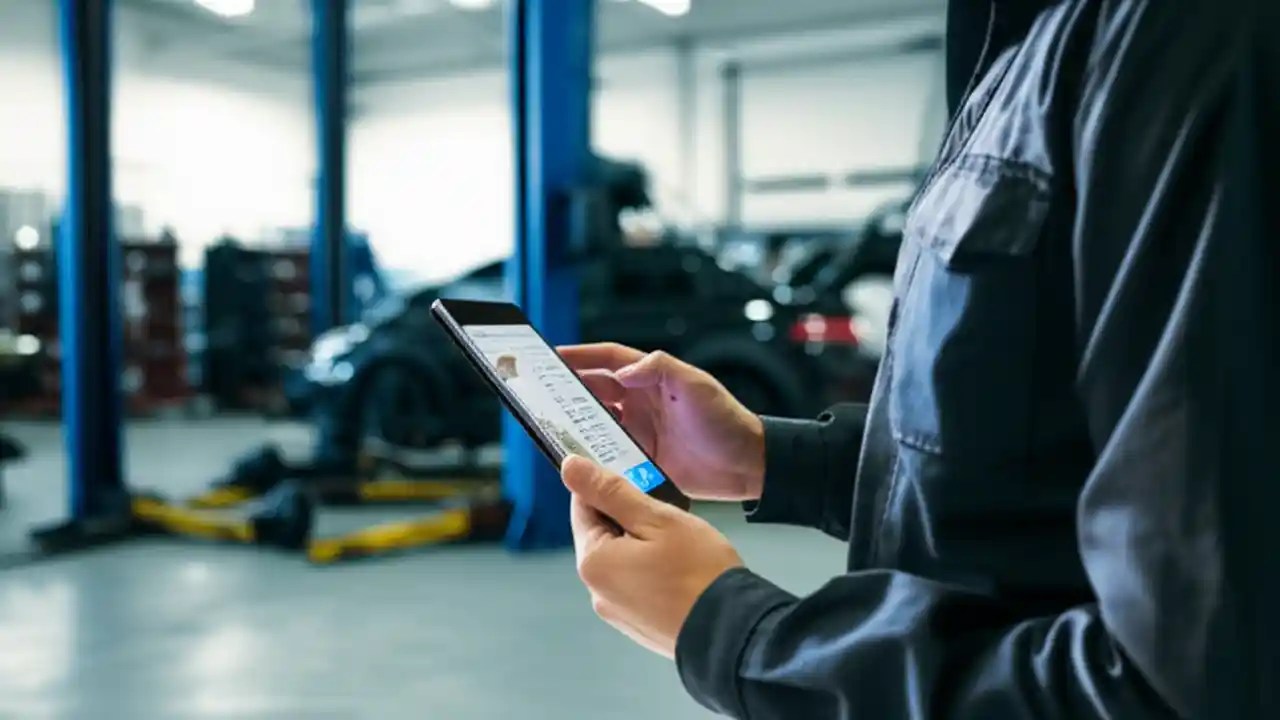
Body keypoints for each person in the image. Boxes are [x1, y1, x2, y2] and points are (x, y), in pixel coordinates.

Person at [555, 1, 1278, 718]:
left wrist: (733, 635)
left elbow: (1185, 685)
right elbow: (1044, 453)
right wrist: (771, 456)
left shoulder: (1184, 35)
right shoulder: (1016, 41)